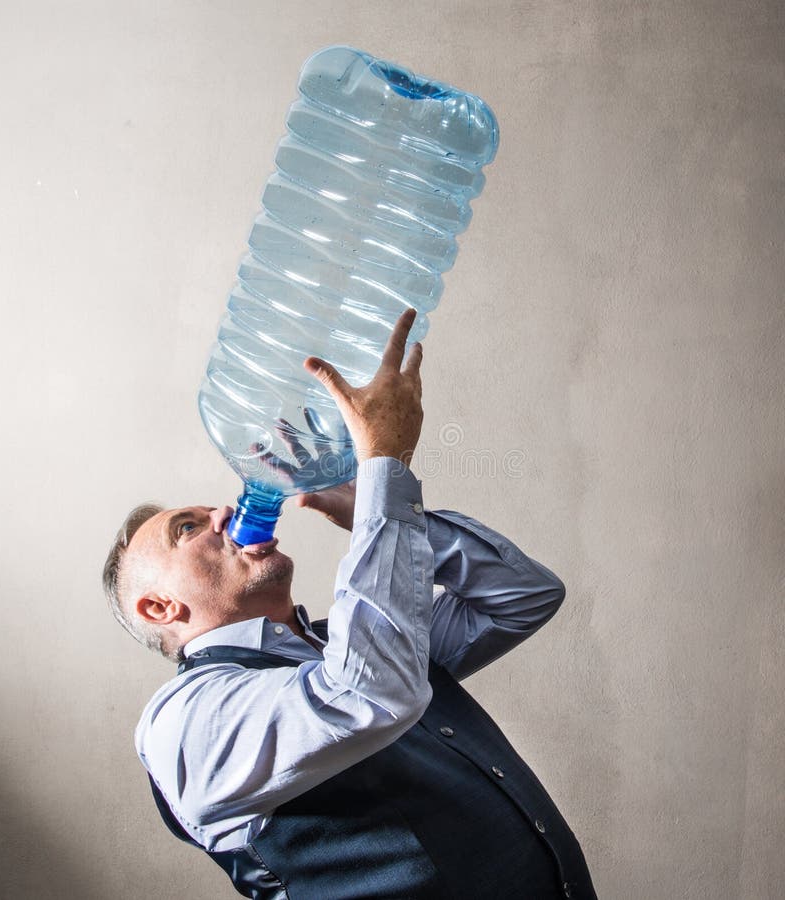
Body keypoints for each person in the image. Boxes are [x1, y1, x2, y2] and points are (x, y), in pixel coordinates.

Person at [103, 309, 598, 899]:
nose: (220, 513)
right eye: (185, 529)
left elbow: (521, 598)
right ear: (159, 609)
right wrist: (386, 473)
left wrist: (374, 500)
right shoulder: (184, 723)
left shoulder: (348, 642)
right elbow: (369, 693)